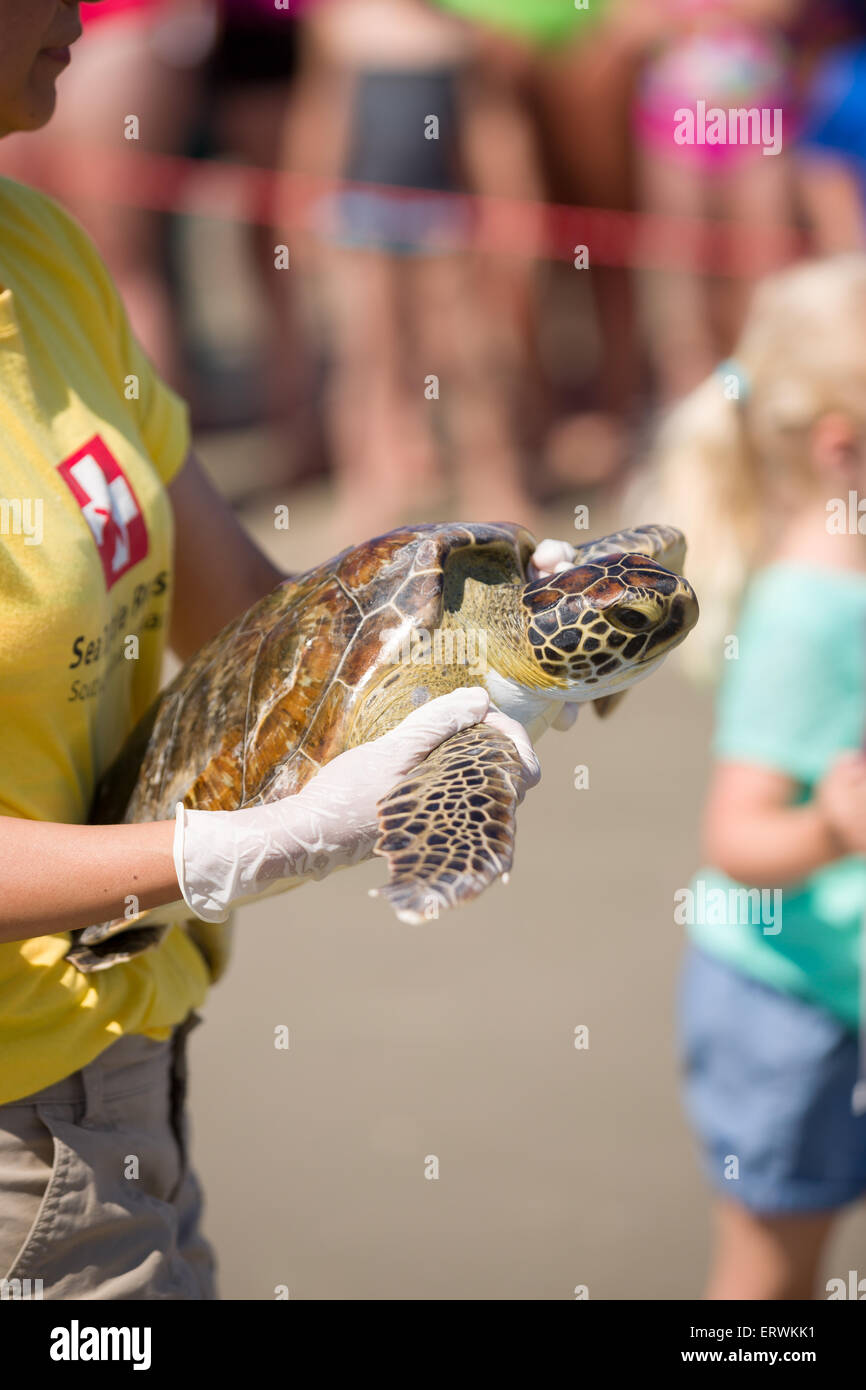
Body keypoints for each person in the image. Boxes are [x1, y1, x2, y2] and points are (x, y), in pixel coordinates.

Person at [0, 1, 572, 1299]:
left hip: (126, 1056)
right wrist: (240, 845)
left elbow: (259, 619)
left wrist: (482, 626)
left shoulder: (37, 243)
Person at [637, 256, 866, 1298]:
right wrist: (830, 823)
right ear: (841, 447)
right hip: (789, 1006)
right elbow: (734, 838)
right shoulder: (806, 614)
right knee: (771, 1278)